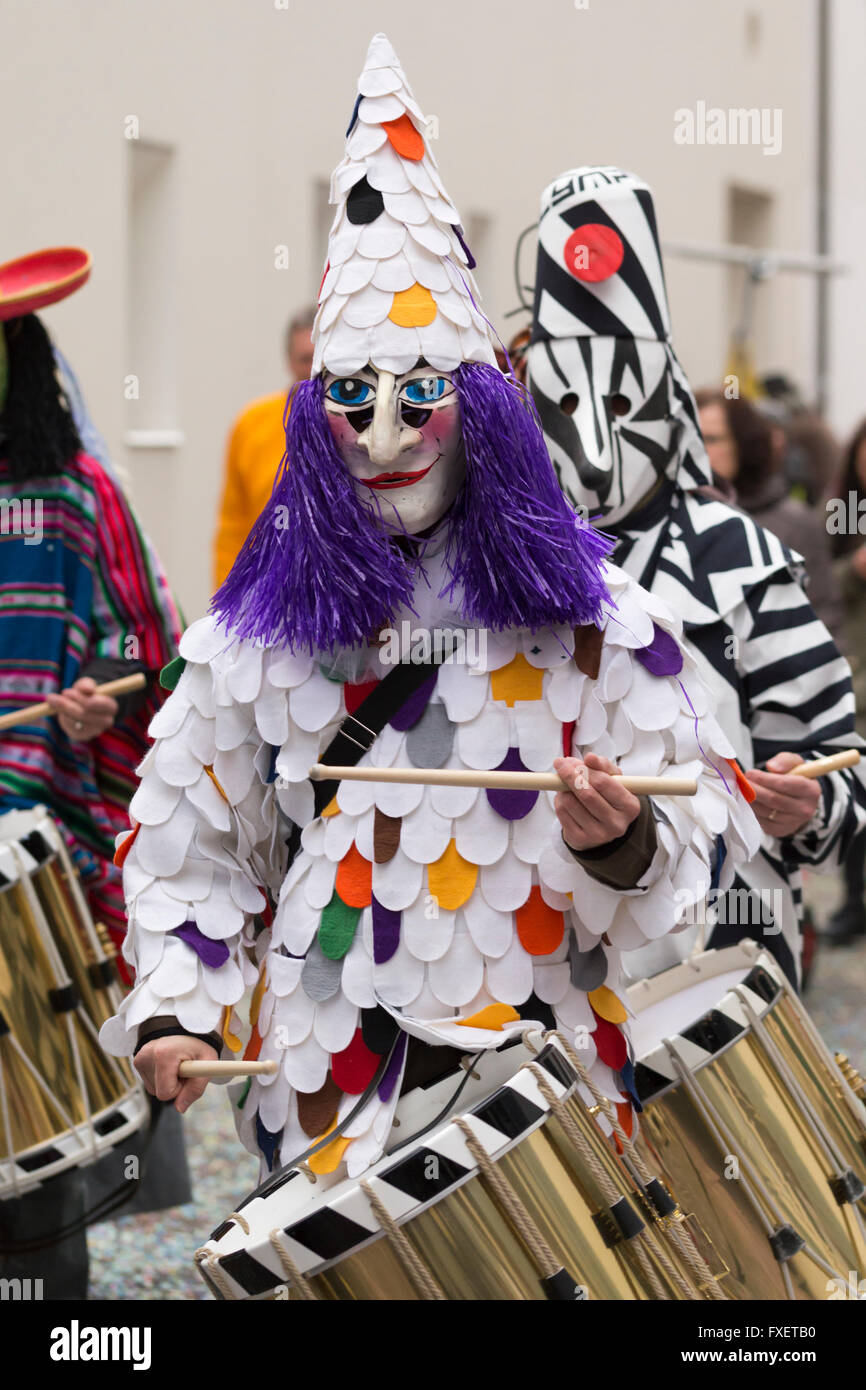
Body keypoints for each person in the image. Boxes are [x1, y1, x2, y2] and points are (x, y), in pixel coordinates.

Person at [101, 36, 757, 1193]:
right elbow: (188, 840)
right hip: (330, 1082)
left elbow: (694, 834)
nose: (384, 435)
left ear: (483, 410)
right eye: (351, 398)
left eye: (419, 395)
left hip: (549, 1077)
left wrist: (622, 840)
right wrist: (177, 1006)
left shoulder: (596, 617)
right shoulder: (259, 629)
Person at [526, 165, 866, 987]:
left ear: (669, 404)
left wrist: (808, 802)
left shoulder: (738, 559)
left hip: (713, 979)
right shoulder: (489, 565)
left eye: (623, 408)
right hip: (529, 984)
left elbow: (839, 765)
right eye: (566, 408)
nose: (596, 454)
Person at [0, 248, 187, 1297]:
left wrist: (99, 700)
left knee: (29, 1181)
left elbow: (146, 650)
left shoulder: (79, 498)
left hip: (35, 851)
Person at [696, 388, 845, 646]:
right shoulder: (670, 519)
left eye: (710, 439)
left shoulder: (795, 524)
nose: (696, 449)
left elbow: (824, 620)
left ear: (743, 444)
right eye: (689, 436)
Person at [213, 308, 315, 588]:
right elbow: (233, 525)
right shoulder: (251, 423)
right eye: (305, 359)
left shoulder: (356, 425)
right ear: (289, 362)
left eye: (322, 358)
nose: (314, 369)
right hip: (266, 592)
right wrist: (228, 596)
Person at [825, 418, 866, 942]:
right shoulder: (840, 511)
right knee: (856, 796)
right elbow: (814, 586)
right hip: (852, 677)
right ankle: (854, 900)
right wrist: (853, 571)